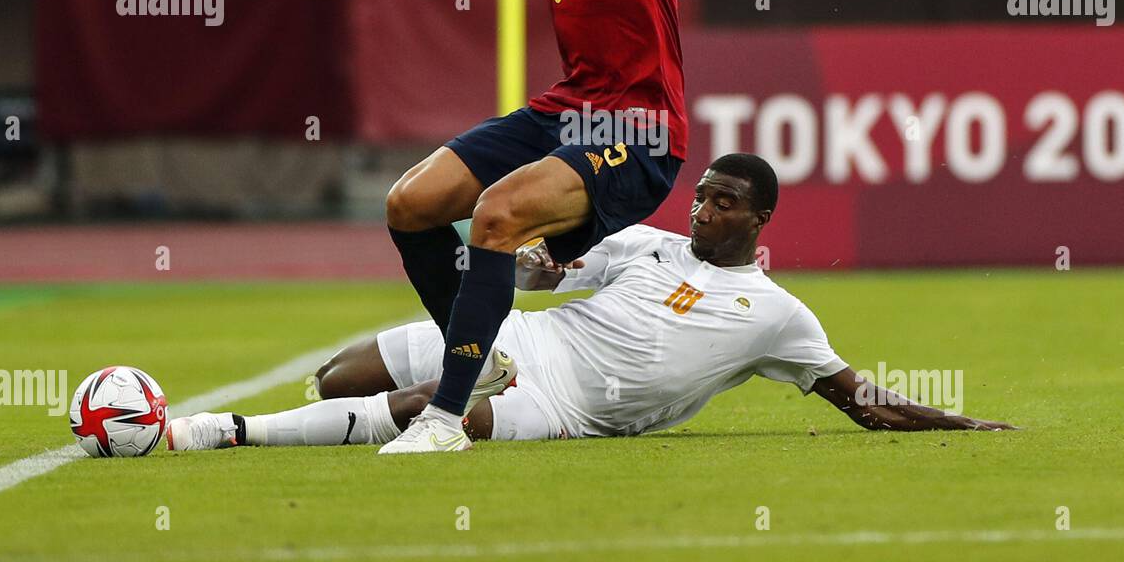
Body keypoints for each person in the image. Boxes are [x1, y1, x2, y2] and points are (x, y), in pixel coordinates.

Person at [289, 0, 718, 453]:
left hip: (636, 128)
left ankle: (444, 420)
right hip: (568, 106)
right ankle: (481, 356)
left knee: (495, 216)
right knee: (412, 203)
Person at [166, 155, 1015, 454]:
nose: (704, 210)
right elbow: (542, 277)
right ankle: (304, 421)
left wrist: (965, 426)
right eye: (702, 196)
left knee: (431, 411)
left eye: (723, 203)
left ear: (761, 219)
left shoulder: (778, 314)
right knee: (335, 375)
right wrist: (529, 261)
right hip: (517, 341)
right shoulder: (641, 241)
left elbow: (858, 401)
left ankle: (226, 432)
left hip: (568, 407)